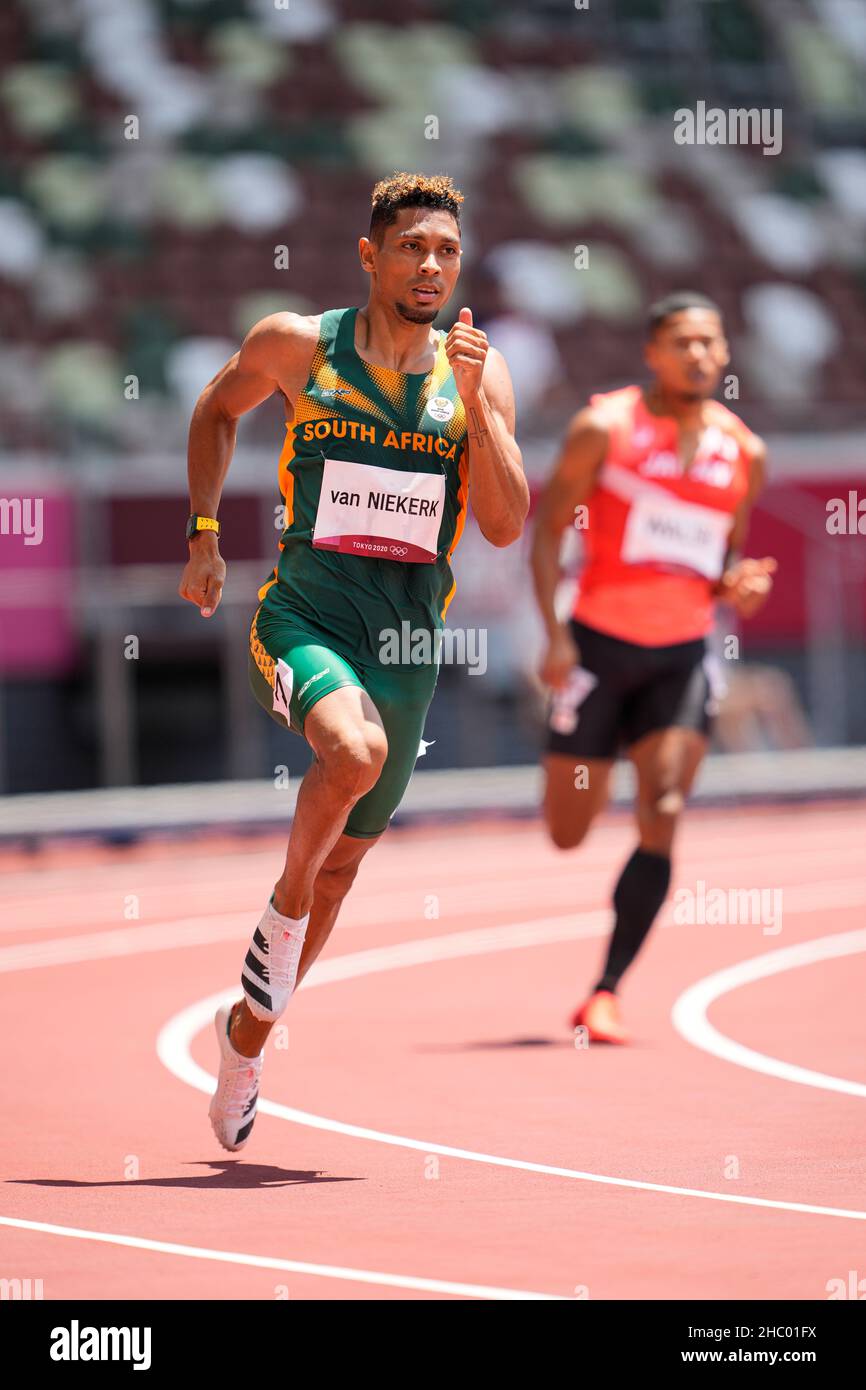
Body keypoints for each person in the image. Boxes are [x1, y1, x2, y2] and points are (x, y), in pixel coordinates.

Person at [178, 172, 528, 1149]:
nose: (430, 265)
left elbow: (502, 524)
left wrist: (476, 405)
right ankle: (276, 919)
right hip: (303, 616)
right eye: (412, 247)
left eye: (447, 251)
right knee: (350, 752)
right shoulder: (298, 343)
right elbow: (216, 409)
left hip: (407, 644)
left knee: (345, 870)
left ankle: (246, 1038)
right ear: (369, 257)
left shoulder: (478, 373)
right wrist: (203, 531)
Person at [531, 291, 776, 1043]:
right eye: (682, 343)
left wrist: (738, 584)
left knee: (663, 809)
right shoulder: (604, 428)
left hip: (682, 656)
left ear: (726, 354)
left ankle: (605, 990)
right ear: (653, 353)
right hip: (597, 647)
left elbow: (720, 560)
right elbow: (546, 537)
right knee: (568, 831)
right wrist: (556, 636)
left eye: (710, 342)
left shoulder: (745, 454)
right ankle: (593, 761)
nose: (698, 355)